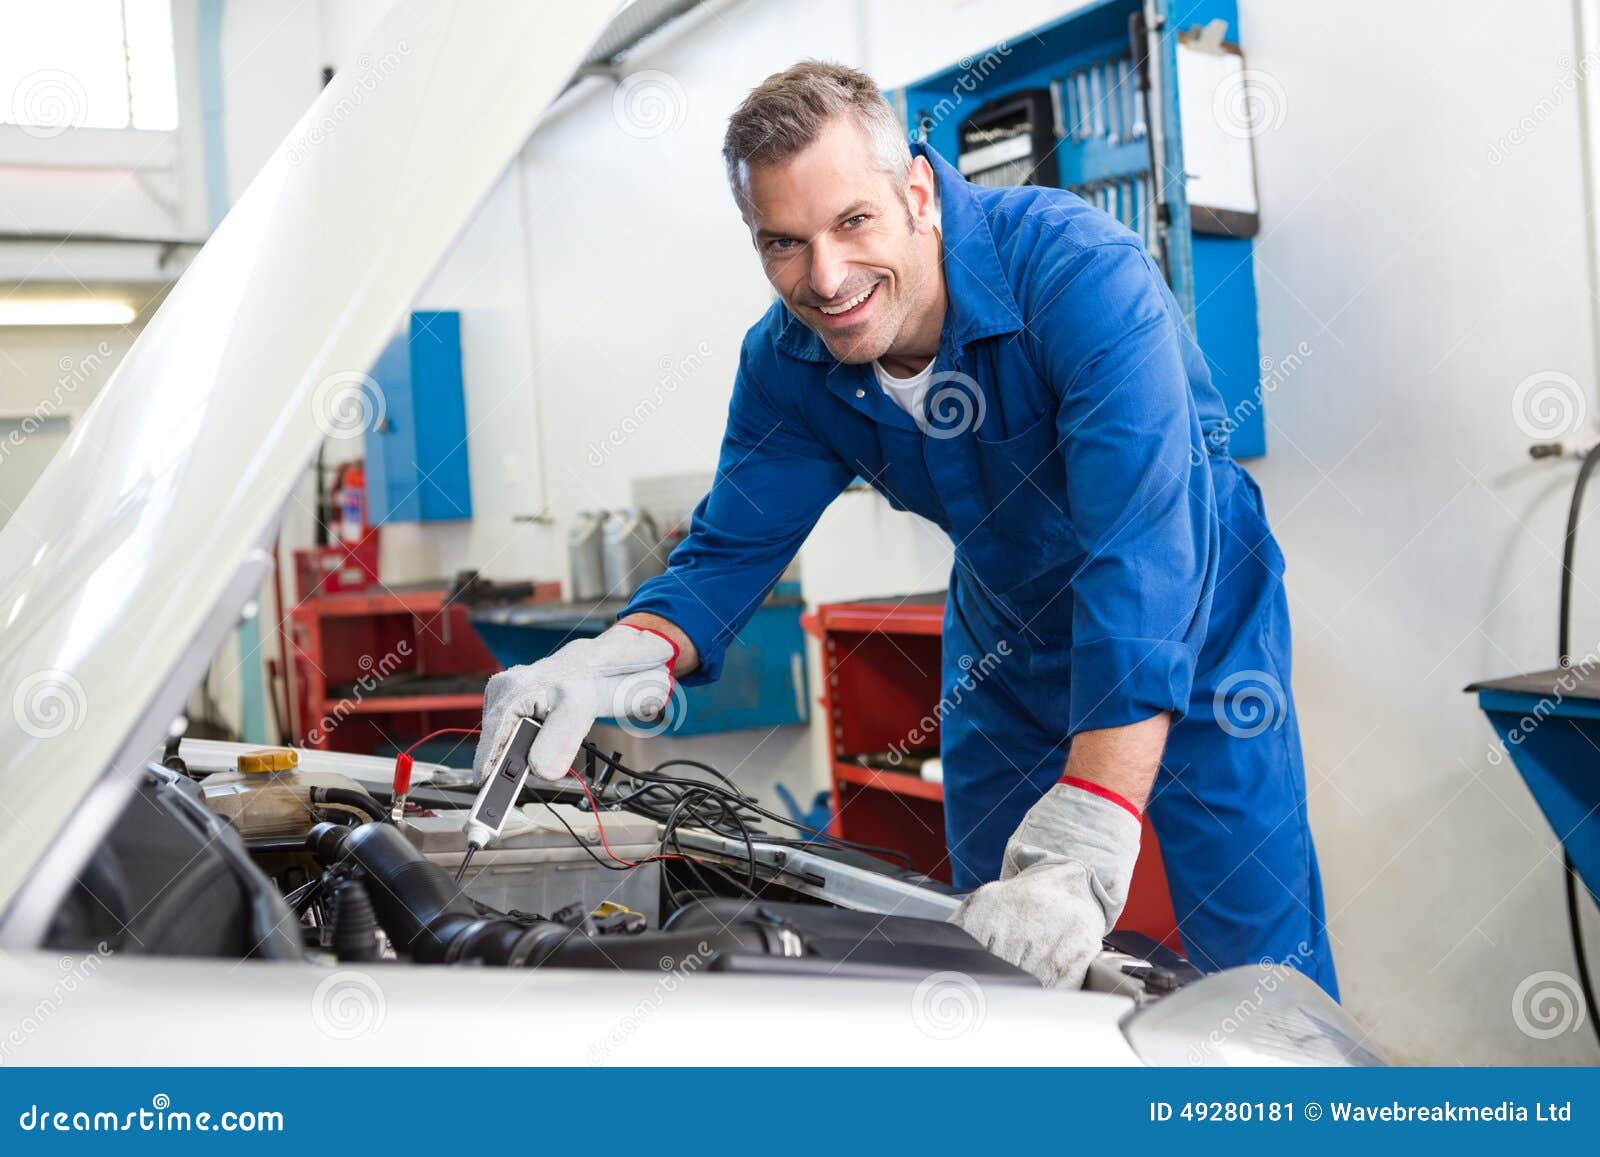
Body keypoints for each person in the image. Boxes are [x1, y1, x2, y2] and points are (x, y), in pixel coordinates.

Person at [474, 61, 1338, 997]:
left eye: (853, 222)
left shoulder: (1080, 276)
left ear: (917, 191)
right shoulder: (788, 363)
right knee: (994, 946)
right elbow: (725, 557)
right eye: (785, 244)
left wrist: (1092, 821)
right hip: (1007, 641)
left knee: (1259, 960)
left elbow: (1140, 551)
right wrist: (603, 659)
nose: (828, 278)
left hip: (1196, 612)